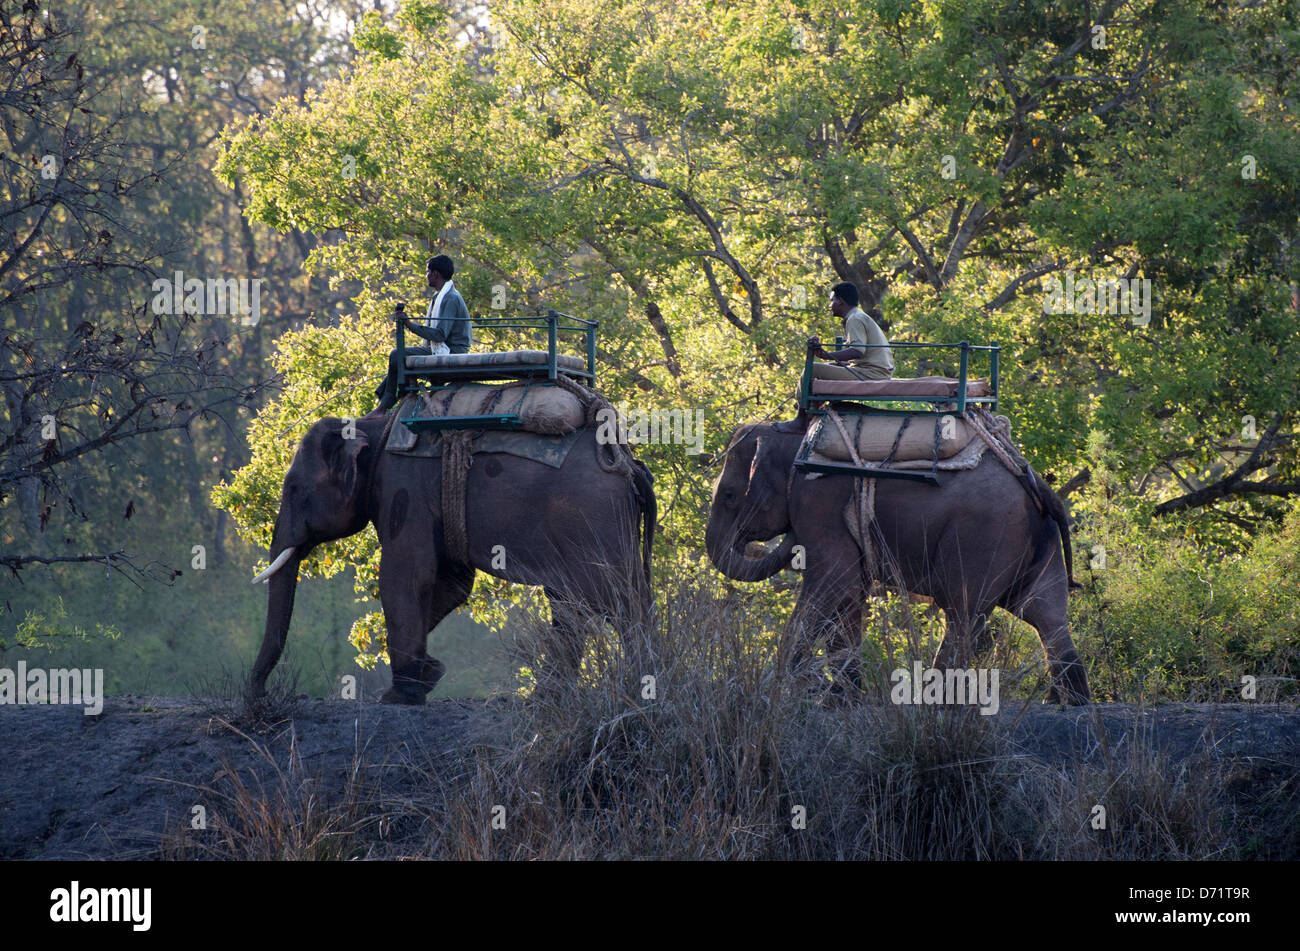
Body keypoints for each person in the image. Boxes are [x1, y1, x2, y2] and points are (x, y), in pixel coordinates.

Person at [772, 281, 893, 433]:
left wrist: (826, 355)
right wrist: (828, 357)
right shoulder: (858, 316)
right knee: (828, 367)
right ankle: (812, 410)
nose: (830, 305)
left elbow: (857, 351)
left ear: (841, 301)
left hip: (870, 374)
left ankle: (801, 420)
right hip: (870, 370)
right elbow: (858, 354)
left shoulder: (855, 319)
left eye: (832, 300)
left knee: (813, 369)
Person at [372, 254, 472, 413]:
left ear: (435, 274)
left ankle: (385, 403)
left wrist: (409, 324)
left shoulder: (451, 298)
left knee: (396, 355)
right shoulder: (440, 296)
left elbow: (440, 335)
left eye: (427, 272)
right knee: (398, 356)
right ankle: (390, 397)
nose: (426, 276)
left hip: (451, 350)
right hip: (442, 347)